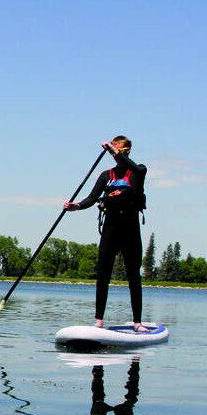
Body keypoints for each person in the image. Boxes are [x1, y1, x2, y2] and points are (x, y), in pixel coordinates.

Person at [64, 136, 147, 330]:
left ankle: (137, 322)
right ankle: (99, 320)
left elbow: (137, 169)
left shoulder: (138, 171)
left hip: (130, 229)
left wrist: (113, 150)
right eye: (117, 152)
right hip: (110, 228)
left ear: (127, 153)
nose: (118, 156)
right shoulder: (106, 175)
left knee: (133, 274)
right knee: (103, 272)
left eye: (122, 152)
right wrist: (76, 206)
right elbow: (92, 198)